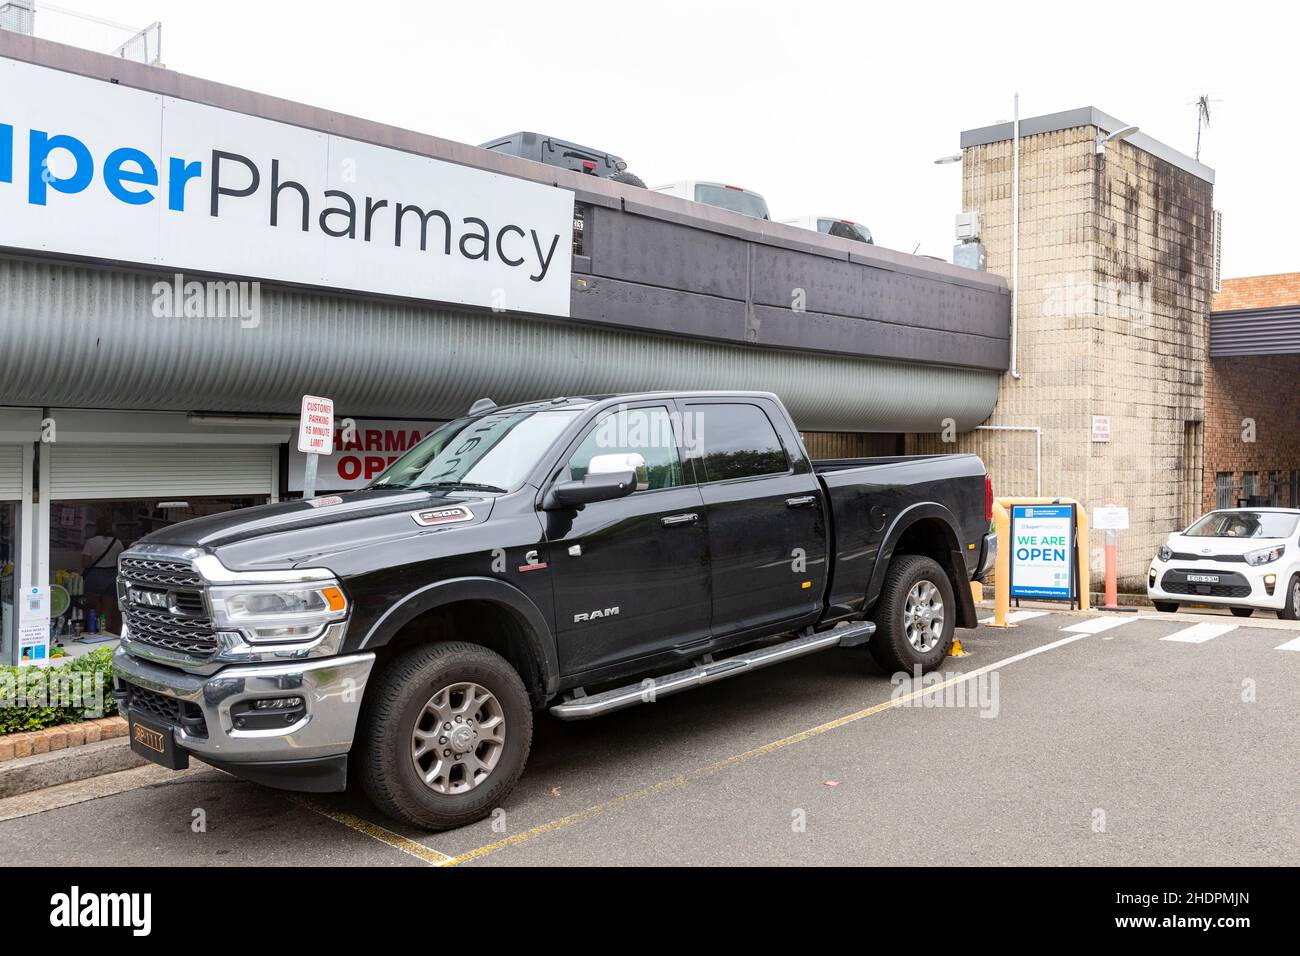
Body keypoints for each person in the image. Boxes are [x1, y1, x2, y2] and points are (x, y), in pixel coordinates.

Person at [81, 516, 124, 634]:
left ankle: (92, 631)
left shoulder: (91, 542)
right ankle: (105, 632)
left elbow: (85, 563)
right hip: (111, 576)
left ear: (97, 526)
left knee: (93, 608)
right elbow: (120, 561)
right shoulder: (117, 542)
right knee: (108, 609)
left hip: (94, 576)